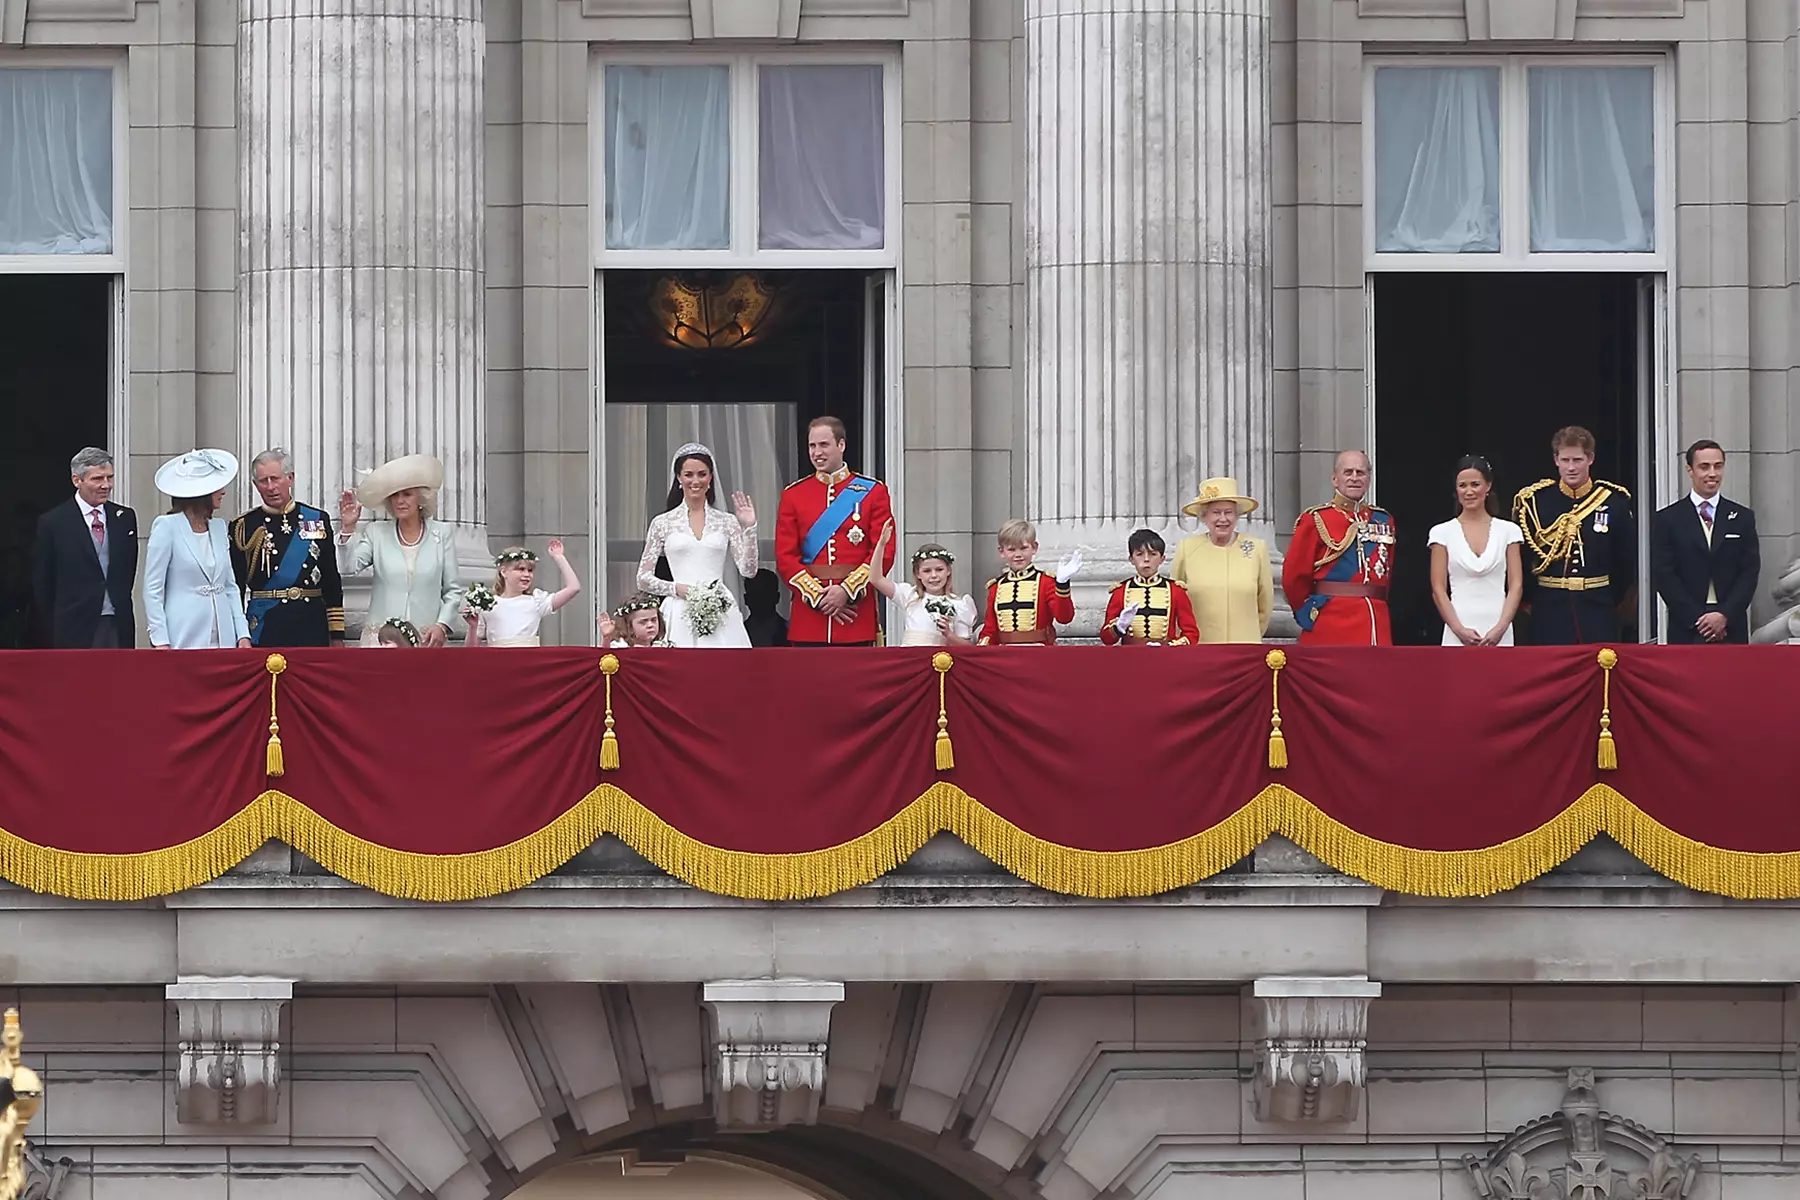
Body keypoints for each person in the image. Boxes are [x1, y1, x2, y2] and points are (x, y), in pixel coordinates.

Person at [775, 416, 896, 646]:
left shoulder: (873, 491)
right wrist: (818, 597)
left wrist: (846, 591)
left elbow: (884, 550)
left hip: (855, 614)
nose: (817, 452)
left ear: (841, 445)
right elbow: (785, 556)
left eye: (824, 445)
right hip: (810, 617)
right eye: (812, 445)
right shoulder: (793, 494)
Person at [1513, 427, 1635, 645]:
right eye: (1565, 460)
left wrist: (1609, 598)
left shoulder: (1613, 502)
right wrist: (1529, 600)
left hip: (1597, 609)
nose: (1571, 467)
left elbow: (1625, 561)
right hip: (1549, 610)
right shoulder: (1536, 501)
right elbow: (1523, 558)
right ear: (1556, 460)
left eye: (1577, 460)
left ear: (1590, 459)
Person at [635, 443, 758, 648]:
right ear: (679, 478)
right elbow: (643, 579)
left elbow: (749, 570)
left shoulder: (726, 521)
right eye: (688, 474)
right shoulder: (662, 522)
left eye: (702, 474)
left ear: (710, 478)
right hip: (678, 609)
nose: (695, 481)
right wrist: (677, 589)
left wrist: (749, 528)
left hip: (719, 607)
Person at [336, 454, 466, 647]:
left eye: (407, 494)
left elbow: (453, 590)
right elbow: (347, 567)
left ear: (421, 498)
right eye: (395, 495)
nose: (400, 501)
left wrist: (442, 625)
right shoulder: (376, 532)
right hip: (382, 640)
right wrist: (348, 528)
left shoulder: (442, 533)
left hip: (426, 639)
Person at [230, 447, 346, 647]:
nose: (270, 487)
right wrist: (241, 635)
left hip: (310, 624)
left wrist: (337, 635)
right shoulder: (244, 526)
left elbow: (331, 580)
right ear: (255, 485)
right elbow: (235, 587)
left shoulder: (316, 519)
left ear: (290, 478)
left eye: (275, 479)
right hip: (266, 625)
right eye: (263, 481)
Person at [1282, 450, 1395, 645]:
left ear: (1369, 479)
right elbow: (1294, 577)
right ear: (1335, 479)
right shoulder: (1315, 519)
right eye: (1347, 472)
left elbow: (1387, 572)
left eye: (1360, 473)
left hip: (1376, 620)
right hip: (1331, 622)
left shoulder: (1383, 520)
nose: (1354, 478)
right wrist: (1309, 614)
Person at [1652, 439, 1759, 644]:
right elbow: (1664, 574)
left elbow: (1749, 571)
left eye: (1718, 466)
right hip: (1687, 626)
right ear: (1690, 470)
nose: (1712, 473)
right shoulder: (1667, 519)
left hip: (1730, 625)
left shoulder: (1742, 517)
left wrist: (1724, 615)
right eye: (1704, 467)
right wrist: (1697, 619)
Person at [144, 449, 253, 650]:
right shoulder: (167, 526)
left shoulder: (219, 528)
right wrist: (160, 640)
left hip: (224, 636)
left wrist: (242, 634)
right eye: (217, 487)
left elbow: (230, 585)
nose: (223, 491)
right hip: (183, 634)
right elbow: (153, 589)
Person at [32, 446, 139, 648]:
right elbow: (43, 583)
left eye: (109, 478)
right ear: (76, 480)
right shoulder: (54, 522)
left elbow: (127, 570)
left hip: (117, 621)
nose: (106, 485)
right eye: (97, 479)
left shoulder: (125, 518)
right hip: (73, 625)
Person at [1427, 455, 1524, 647]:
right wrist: (1459, 630)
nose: (1469, 491)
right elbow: (1438, 589)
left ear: (1488, 486)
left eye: (1475, 484)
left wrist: (1500, 628)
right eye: (1462, 485)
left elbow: (1516, 585)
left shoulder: (1509, 531)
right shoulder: (1442, 532)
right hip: (1457, 628)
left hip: (1499, 629)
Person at [1170, 477, 1272, 644]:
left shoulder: (1256, 548)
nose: (1223, 519)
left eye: (1228, 512)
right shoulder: (1187, 549)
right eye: (1216, 512)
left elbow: (1265, 604)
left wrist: (1251, 634)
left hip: (1245, 647)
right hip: (1201, 647)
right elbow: (1176, 599)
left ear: (1236, 516)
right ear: (1204, 516)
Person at [868, 524, 978, 646]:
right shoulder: (909, 595)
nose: (934, 576)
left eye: (939, 569)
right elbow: (875, 579)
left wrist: (949, 635)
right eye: (927, 571)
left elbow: (968, 647)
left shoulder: (959, 604)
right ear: (917, 574)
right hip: (910, 659)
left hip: (938, 661)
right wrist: (881, 545)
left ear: (948, 570)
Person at [976, 519, 1080, 645]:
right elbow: (990, 630)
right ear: (1002, 552)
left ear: (1034, 548)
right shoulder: (996, 587)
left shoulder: (1045, 582)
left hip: (1039, 653)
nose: (1018, 554)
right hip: (1005, 654)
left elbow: (1064, 618)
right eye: (1011, 549)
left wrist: (1062, 584)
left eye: (1023, 548)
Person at [465, 541, 583, 647]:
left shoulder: (536, 601)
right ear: (504, 572)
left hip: (528, 662)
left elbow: (573, 588)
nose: (527, 575)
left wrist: (559, 557)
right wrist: (473, 626)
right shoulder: (488, 604)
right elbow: (471, 651)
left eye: (530, 570)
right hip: (498, 662)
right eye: (521, 569)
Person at [1100, 529, 1199, 646]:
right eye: (1139, 554)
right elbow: (1107, 639)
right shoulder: (1121, 591)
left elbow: (1191, 633)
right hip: (1131, 658)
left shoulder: (1175, 591)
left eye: (1153, 554)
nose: (1146, 559)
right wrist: (1118, 627)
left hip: (1166, 657)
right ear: (1131, 559)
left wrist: (1170, 646)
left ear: (1162, 559)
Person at [599, 593, 674, 648]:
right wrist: (607, 638)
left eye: (654, 620)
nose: (650, 625)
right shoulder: (620, 646)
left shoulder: (664, 647)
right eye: (643, 622)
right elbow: (606, 659)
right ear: (629, 626)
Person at [742, 569, 789, 647]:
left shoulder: (789, 634)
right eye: (756, 595)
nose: (760, 601)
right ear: (746, 599)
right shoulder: (738, 633)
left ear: (776, 597)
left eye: (765, 595)